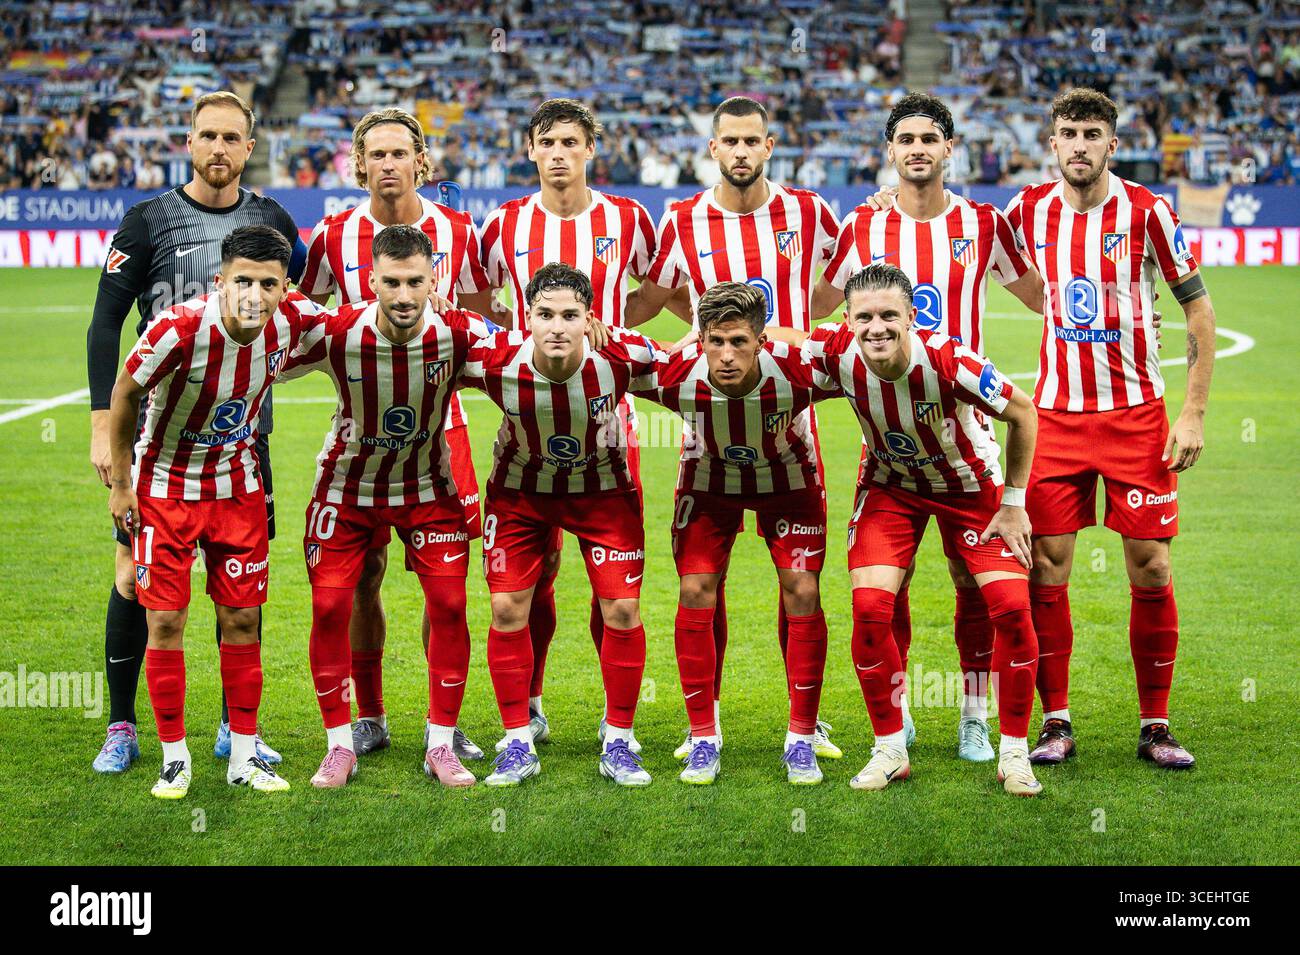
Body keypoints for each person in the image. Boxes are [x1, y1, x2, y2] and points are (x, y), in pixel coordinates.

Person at [810, 91, 1044, 761]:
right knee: (889, 583)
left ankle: (975, 713)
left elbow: (1041, 293)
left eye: (929, 138)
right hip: (888, 435)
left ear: (949, 149)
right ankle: (901, 714)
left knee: (977, 584)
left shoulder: (983, 223)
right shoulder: (861, 228)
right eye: (904, 138)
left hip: (967, 429)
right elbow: (824, 302)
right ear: (890, 151)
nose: (916, 148)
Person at [86, 91, 303, 774]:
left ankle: (233, 730)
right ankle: (123, 724)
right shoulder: (147, 219)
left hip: (246, 437)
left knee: (243, 580)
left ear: (248, 146)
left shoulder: (272, 218)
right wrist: (102, 428)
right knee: (134, 577)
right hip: (159, 435)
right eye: (206, 135)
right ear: (188, 142)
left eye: (230, 138)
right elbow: (104, 325)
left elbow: (298, 303)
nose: (218, 148)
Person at [625, 95, 844, 762]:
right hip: (709, 432)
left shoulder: (808, 213)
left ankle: (804, 724)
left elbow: (841, 285)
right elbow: (655, 297)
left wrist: (793, 336)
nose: (742, 152)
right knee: (699, 583)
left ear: (770, 146)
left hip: (787, 428)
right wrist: (594, 319)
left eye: (754, 141)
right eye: (731, 142)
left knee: (800, 584)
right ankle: (705, 722)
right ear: (713, 148)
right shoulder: (683, 217)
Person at [1004, 89, 1216, 769]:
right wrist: (892, 204)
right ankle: (1056, 719)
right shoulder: (1029, 209)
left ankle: (1155, 723)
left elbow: (1199, 314)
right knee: (1046, 564)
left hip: (1135, 419)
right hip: (1057, 418)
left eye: (1092, 133)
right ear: (1052, 141)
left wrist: (1192, 411)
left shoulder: (1149, 212)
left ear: (1112, 144)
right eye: (1068, 132)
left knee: (1151, 565)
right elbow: (960, 230)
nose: (1079, 145)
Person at [796, 263, 1045, 796]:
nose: (877, 328)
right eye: (864, 317)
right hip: (891, 487)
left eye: (890, 315)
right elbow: (775, 338)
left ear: (912, 317)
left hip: (969, 488)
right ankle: (890, 747)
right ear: (847, 319)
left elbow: (1023, 413)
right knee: (869, 608)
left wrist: (1014, 503)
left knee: (1010, 608)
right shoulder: (834, 351)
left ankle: (1011, 750)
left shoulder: (952, 361)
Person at [477, 98, 678, 752]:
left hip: (606, 435)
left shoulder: (626, 218)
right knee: (523, 591)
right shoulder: (504, 223)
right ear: (531, 150)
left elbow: (659, 291)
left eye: (570, 141)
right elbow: (481, 301)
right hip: (526, 431)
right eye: (546, 142)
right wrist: (521, 344)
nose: (558, 153)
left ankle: (616, 727)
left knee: (611, 595)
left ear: (591, 147)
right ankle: (527, 707)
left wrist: (611, 337)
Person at [299, 107, 489, 762]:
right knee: (362, 576)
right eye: (374, 155)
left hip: (442, 434)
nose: (387, 165)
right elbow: (300, 312)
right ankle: (371, 713)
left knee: (448, 584)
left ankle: (446, 720)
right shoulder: (331, 237)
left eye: (398, 154)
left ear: (421, 162)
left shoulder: (459, 232)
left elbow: (489, 318)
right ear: (358, 165)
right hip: (360, 438)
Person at [105, 225, 320, 798]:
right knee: (166, 620)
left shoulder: (294, 320)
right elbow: (126, 392)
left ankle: (244, 755)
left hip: (236, 488)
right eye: (243, 280)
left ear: (284, 288)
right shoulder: (177, 329)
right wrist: (121, 485)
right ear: (220, 279)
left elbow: (356, 325)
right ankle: (175, 758)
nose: (254, 294)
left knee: (243, 620)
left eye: (268, 283)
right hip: (166, 488)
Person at [458, 263, 655, 788]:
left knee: (621, 609)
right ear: (528, 318)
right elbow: (437, 351)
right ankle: (517, 739)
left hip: (603, 493)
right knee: (505, 607)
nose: (557, 327)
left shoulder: (623, 356)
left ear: (590, 319)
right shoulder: (496, 361)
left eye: (571, 315)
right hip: (521, 495)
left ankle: (618, 737)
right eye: (545, 315)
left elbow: (691, 368)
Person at [632, 283, 835, 785]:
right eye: (716, 341)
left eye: (739, 342)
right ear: (698, 339)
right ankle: (704, 737)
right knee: (695, 590)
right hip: (708, 481)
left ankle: (802, 738)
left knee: (803, 590)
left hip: (788, 480)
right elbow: (612, 357)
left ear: (762, 341)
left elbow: (858, 352)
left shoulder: (800, 369)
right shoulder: (674, 374)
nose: (726, 355)